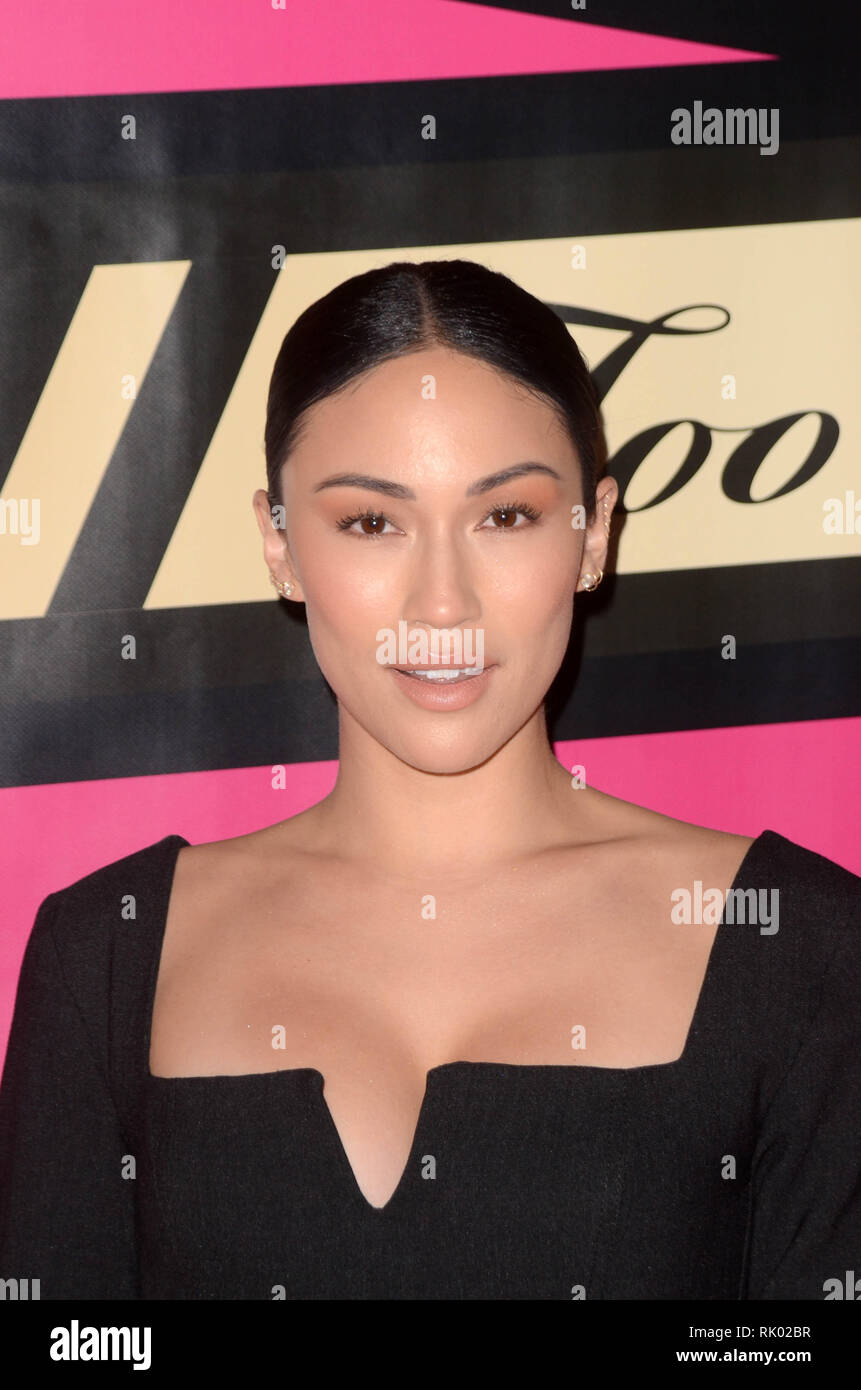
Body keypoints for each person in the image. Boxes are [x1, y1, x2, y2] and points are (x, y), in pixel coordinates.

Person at [1, 259, 858, 1299]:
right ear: (279, 545)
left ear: (595, 534)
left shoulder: (802, 945)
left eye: (507, 517)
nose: (441, 603)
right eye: (372, 522)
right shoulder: (103, 952)